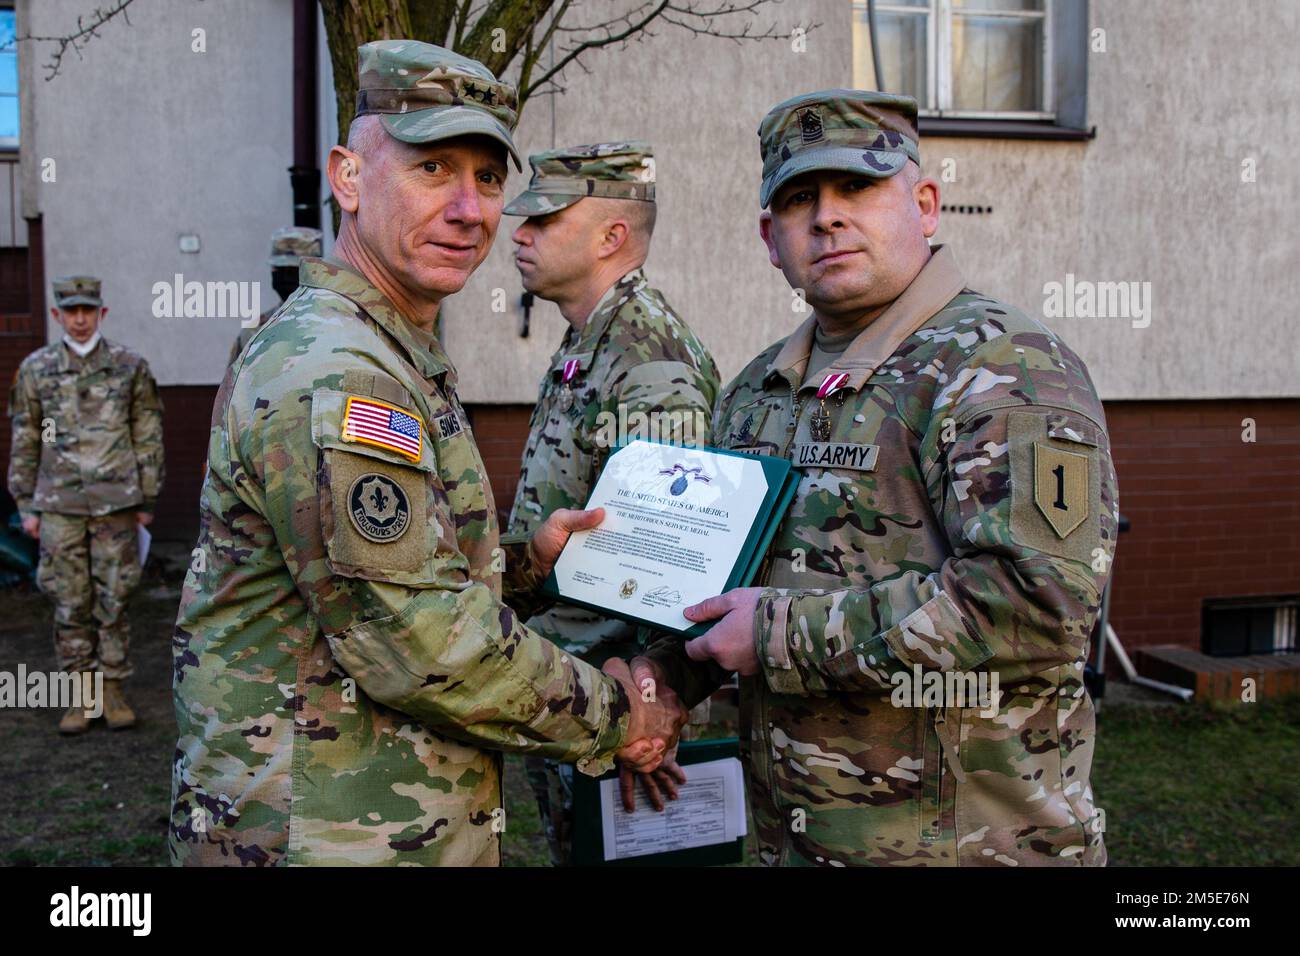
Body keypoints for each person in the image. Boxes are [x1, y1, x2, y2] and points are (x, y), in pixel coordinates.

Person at [168, 39, 684, 867]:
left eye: (486, 177)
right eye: (433, 168)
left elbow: (392, 575)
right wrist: (623, 719)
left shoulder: (382, 346)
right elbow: (425, 644)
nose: (472, 209)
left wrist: (526, 565)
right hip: (328, 836)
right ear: (347, 178)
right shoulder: (340, 372)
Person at [635, 90, 1118, 866]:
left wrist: (776, 633)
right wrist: (659, 680)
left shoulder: (1004, 366)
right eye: (798, 200)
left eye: (857, 187)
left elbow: (1040, 603)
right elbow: (714, 580)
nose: (826, 217)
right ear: (770, 237)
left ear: (924, 205)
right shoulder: (756, 391)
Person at [502, 141, 721, 862]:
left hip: (619, 706)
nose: (519, 235)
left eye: (542, 221)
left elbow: (678, 563)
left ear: (611, 237)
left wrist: (648, 710)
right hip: (574, 691)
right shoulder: (590, 341)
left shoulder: (647, 357)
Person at [7, 275, 164, 734]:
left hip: (116, 503)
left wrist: (148, 495)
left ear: (102, 313)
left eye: (87, 310)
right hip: (59, 504)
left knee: (114, 600)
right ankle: (80, 696)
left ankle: (113, 689)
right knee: (69, 601)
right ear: (57, 315)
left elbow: (146, 433)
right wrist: (26, 503)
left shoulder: (128, 367)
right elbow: (30, 436)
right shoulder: (37, 370)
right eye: (70, 311)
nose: (79, 319)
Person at [227, 226, 322, 366]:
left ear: (313, 271)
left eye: (293, 270)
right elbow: (232, 385)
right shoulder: (255, 330)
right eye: (279, 268)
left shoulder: (336, 324)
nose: (285, 276)